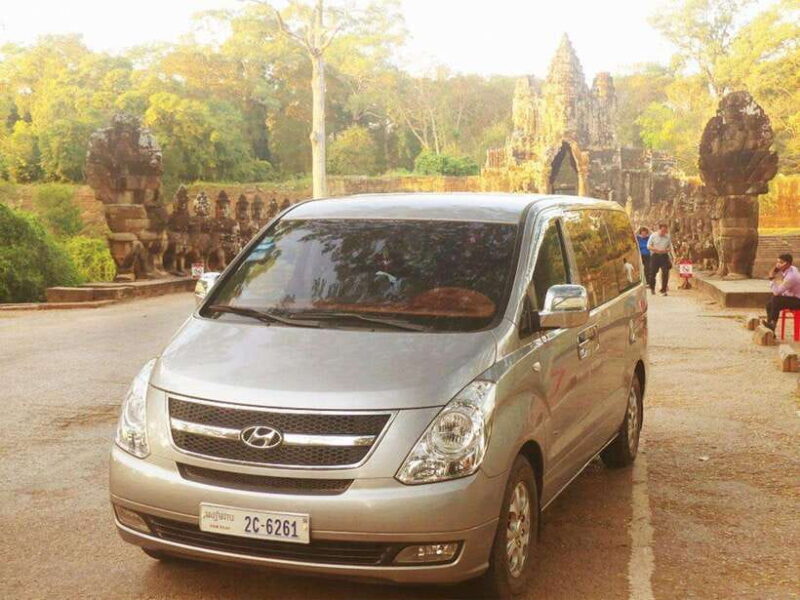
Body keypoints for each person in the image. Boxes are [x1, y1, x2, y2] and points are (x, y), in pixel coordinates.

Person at [764, 253, 800, 332]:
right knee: (769, 305)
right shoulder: (791, 268)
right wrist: (776, 270)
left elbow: (776, 292)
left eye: (780, 262)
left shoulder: (791, 277)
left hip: (798, 301)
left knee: (776, 299)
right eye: (778, 262)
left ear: (787, 264)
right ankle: (770, 328)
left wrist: (771, 278)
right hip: (792, 297)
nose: (778, 264)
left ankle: (772, 324)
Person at [647, 223, 674, 296]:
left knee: (665, 272)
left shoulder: (667, 237)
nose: (663, 233)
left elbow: (670, 247)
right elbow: (648, 246)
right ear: (659, 229)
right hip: (655, 255)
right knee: (652, 273)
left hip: (664, 256)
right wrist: (656, 250)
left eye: (665, 231)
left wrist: (666, 250)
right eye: (662, 231)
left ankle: (663, 290)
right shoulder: (653, 236)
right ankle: (652, 288)